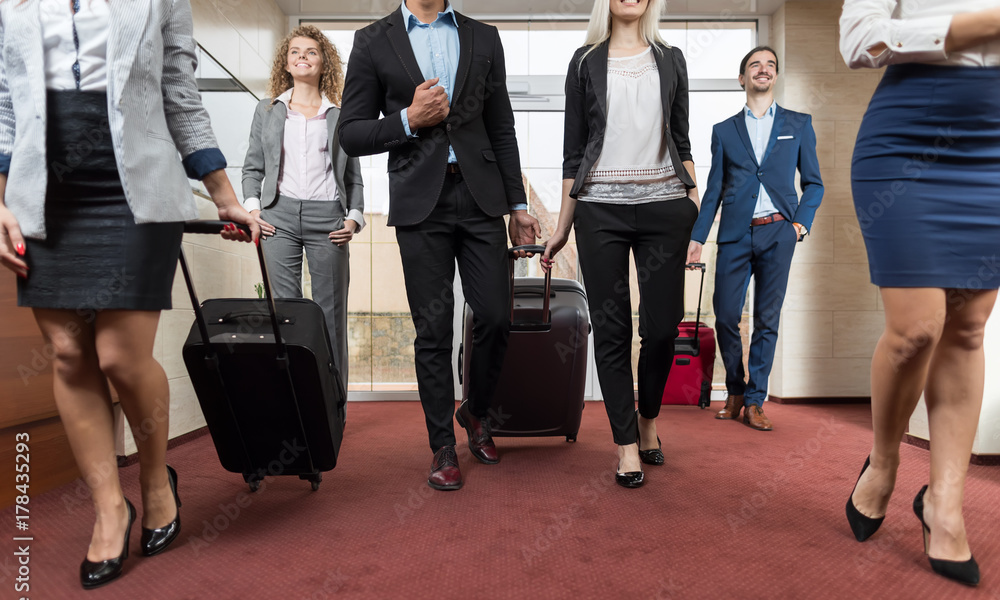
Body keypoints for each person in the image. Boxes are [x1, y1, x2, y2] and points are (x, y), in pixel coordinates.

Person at [0, 0, 258, 589]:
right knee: (68, 354)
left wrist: (221, 192)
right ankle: (109, 507)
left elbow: (179, 93)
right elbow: (3, 103)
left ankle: (152, 477)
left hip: (134, 185)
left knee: (119, 354)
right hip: (42, 191)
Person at [338, 1, 540, 491]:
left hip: (481, 198)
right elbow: (351, 133)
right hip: (418, 202)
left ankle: (474, 410)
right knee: (433, 328)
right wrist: (408, 118)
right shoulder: (372, 39)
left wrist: (517, 204)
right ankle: (441, 446)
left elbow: (502, 125)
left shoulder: (483, 36)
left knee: (495, 315)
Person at [840, 0, 1000, 587]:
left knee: (970, 326)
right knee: (917, 328)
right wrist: (985, 24)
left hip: (996, 146)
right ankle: (883, 461)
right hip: (907, 135)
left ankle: (944, 503)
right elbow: (860, 40)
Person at [541, 0, 699, 489]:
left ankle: (648, 416)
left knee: (661, 328)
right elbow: (574, 150)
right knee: (611, 328)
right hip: (600, 211)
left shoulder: (670, 58)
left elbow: (682, 141)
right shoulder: (584, 61)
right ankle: (626, 443)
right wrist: (563, 225)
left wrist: (693, 207)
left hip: (666, 206)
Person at [687, 46, 823, 431]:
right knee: (726, 316)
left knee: (767, 318)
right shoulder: (724, 131)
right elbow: (713, 190)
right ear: (742, 78)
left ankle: (755, 400)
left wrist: (800, 224)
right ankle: (734, 388)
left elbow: (814, 183)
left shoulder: (799, 124)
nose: (763, 70)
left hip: (778, 232)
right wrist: (698, 237)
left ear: (775, 76)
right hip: (733, 234)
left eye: (771, 65)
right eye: (755, 65)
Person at [242, 26, 364, 394]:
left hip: (328, 218)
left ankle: (334, 399)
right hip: (277, 218)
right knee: (286, 311)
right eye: (295, 51)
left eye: (311, 51)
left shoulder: (340, 116)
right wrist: (253, 209)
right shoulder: (267, 111)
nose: (302, 57)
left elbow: (354, 177)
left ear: (323, 62)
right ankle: (294, 396)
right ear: (286, 62)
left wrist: (354, 219)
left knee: (330, 312)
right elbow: (252, 168)